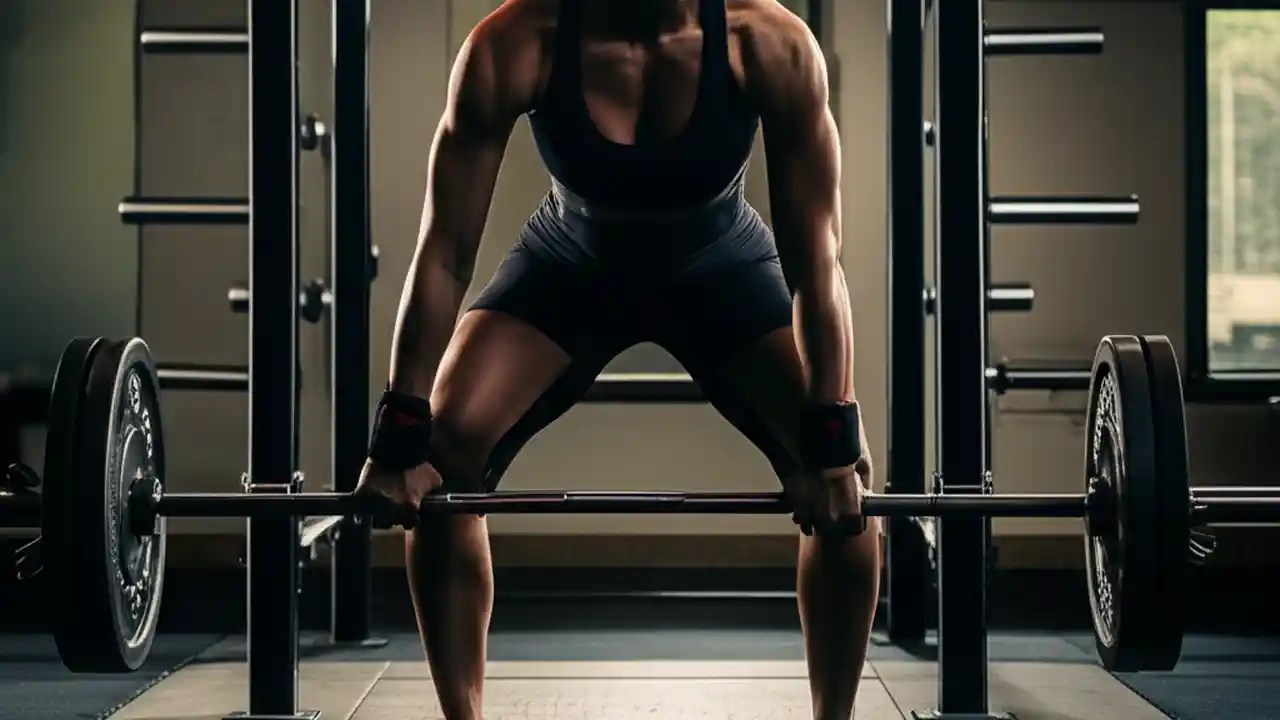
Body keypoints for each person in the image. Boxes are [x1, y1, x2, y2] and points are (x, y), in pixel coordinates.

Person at [354, 0, 878, 717]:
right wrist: (399, 435)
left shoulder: (770, 44)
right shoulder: (514, 42)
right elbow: (443, 253)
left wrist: (833, 444)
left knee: (848, 479)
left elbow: (816, 265)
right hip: (571, 269)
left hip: (722, 272)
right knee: (442, 450)